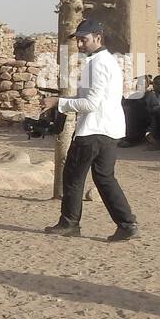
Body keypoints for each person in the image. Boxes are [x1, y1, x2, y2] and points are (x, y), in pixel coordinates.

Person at [42, 19, 139, 241]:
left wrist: (59, 102)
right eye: (78, 39)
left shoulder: (98, 64)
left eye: (83, 39)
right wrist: (65, 99)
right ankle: (127, 224)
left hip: (93, 129)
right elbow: (90, 98)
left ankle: (70, 224)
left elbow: (90, 104)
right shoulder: (104, 61)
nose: (80, 43)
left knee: (73, 177)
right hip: (109, 129)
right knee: (105, 178)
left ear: (98, 37)